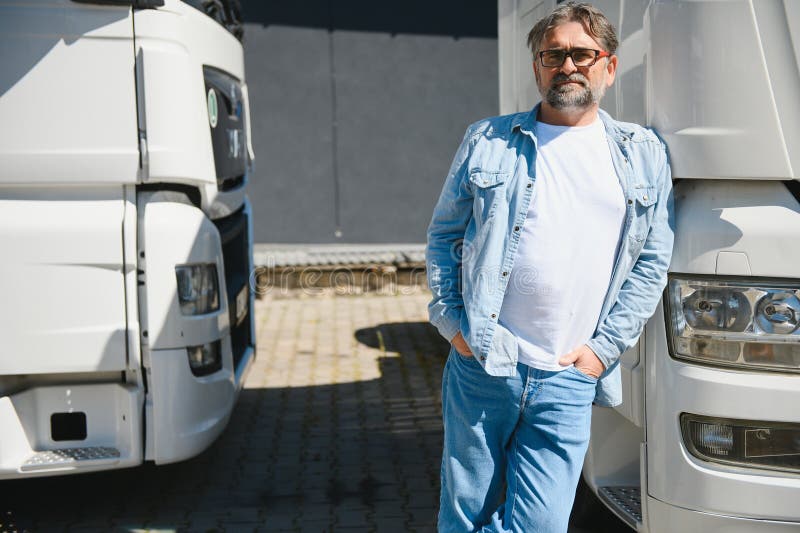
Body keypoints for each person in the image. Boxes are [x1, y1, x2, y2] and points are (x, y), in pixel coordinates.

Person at [425, 3, 674, 532]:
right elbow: (444, 237)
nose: (568, 65)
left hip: (568, 376)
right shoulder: (487, 140)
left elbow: (651, 263)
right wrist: (455, 326)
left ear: (608, 66)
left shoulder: (643, 153)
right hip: (485, 363)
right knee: (467, 518)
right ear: (537, 66)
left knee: (541, 524)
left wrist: (600, 353)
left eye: (583, 54)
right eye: (554, 53)